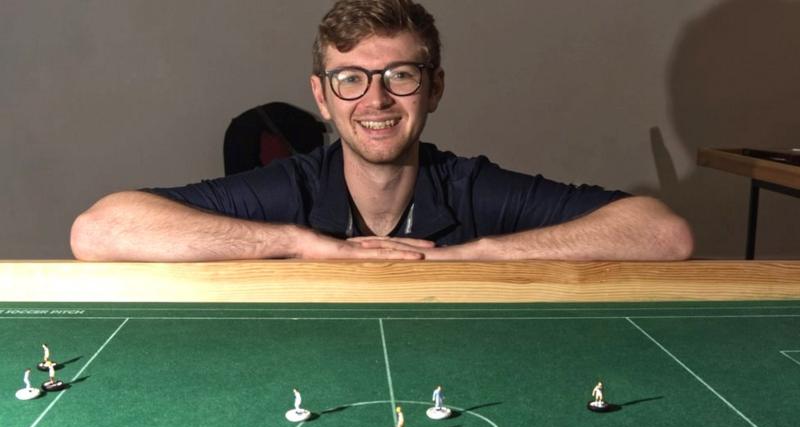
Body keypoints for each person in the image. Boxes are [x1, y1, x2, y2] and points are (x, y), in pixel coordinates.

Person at [70, 0, 693, 262]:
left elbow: (663, 234)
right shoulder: (289, 190)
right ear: (322, 97)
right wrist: (298, 243)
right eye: (350, 79)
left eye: (400, 75)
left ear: (434, 88)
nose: (376, 100)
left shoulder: (470, 186)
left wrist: (482, 253)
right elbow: (98, 230)